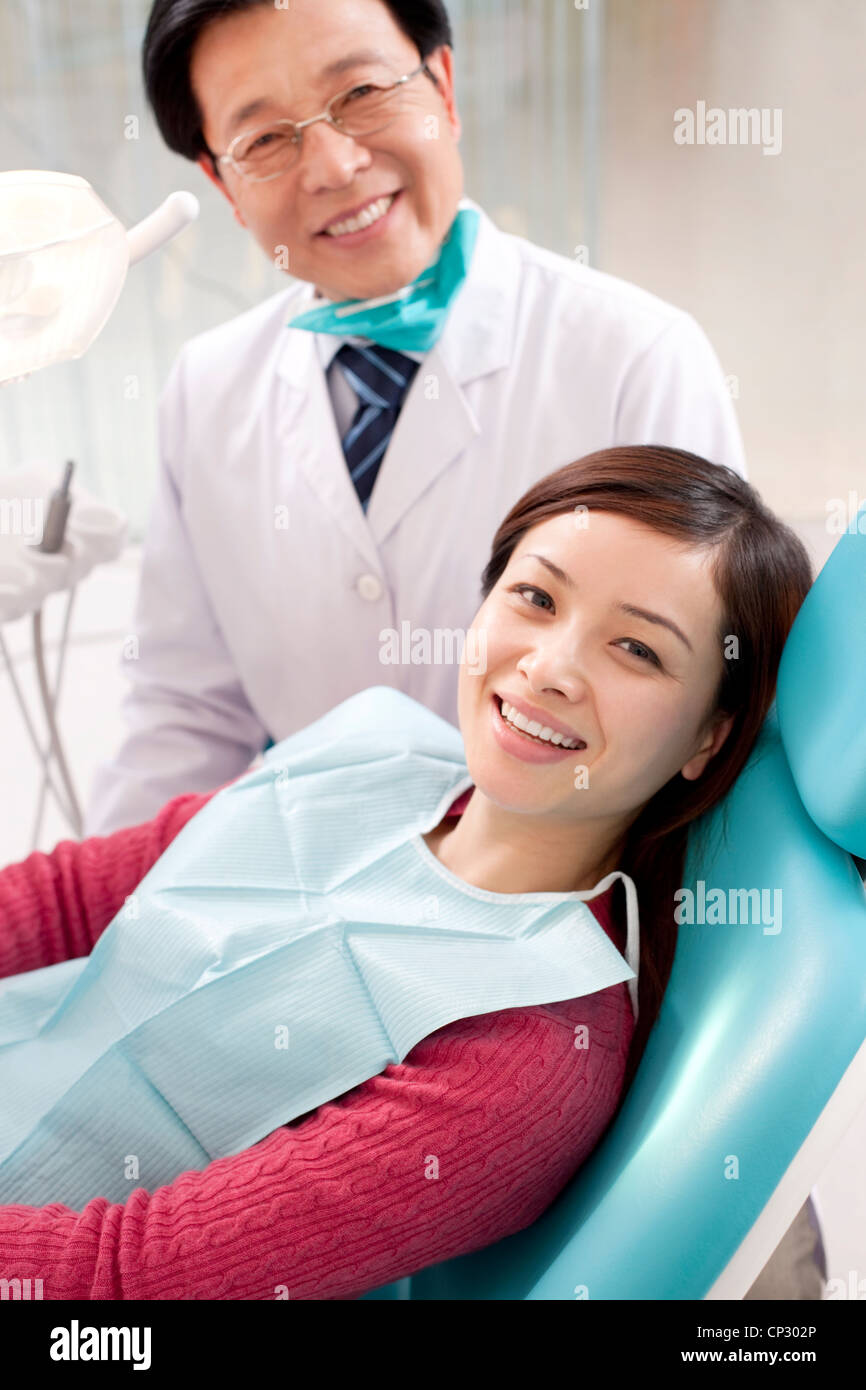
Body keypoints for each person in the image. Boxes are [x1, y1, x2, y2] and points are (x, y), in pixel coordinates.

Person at [0, 447, 816, 1300]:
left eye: (637, 651)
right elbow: (64, 899)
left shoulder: (527, 1059)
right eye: (536, 598)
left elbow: (128, 1279)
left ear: (706, 739)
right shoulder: (368, 752)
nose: (548, 668)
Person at [84, 0, 747, 838]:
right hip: (307, 894)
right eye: (264, 139)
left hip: (559, 907)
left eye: (361, 91)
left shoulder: (637, 357)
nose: (332, 163)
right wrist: (111, 934)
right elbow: (186, 717)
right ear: (223, 184)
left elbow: (703, 703)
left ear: (443, 86)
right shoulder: (206, 388)